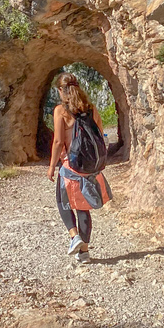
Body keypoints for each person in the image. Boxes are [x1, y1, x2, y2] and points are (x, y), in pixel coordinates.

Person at [47, 72, 112, 263]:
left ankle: (74, 236)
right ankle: (84, 252)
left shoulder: (61, 110)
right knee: (83, 208)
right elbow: (100, 135)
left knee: (63, 202)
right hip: (89, 166)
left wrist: (52, 166)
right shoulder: (91, 109)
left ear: (61, 90)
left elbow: (58, 141)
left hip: (71, 166)